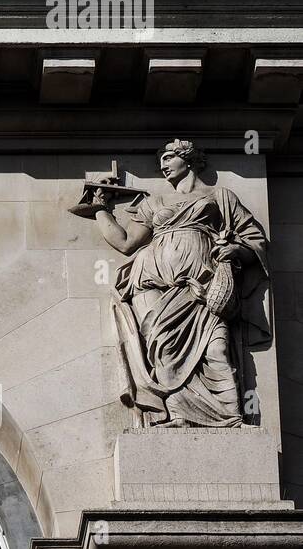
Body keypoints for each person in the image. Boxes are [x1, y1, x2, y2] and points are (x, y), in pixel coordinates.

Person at [87, 140, 268, 427]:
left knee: (217, 349)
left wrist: (235, 251)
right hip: (153, 282)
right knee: (164, 348)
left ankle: (230, 416)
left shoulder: (220, 197)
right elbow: (125, 243)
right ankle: (178, 414)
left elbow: (255, 240)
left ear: (190, 159)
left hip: (204, 288)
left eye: (170, 157)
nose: (163, 164)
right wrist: (99, 206)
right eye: (161, 160)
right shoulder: (153, 203)